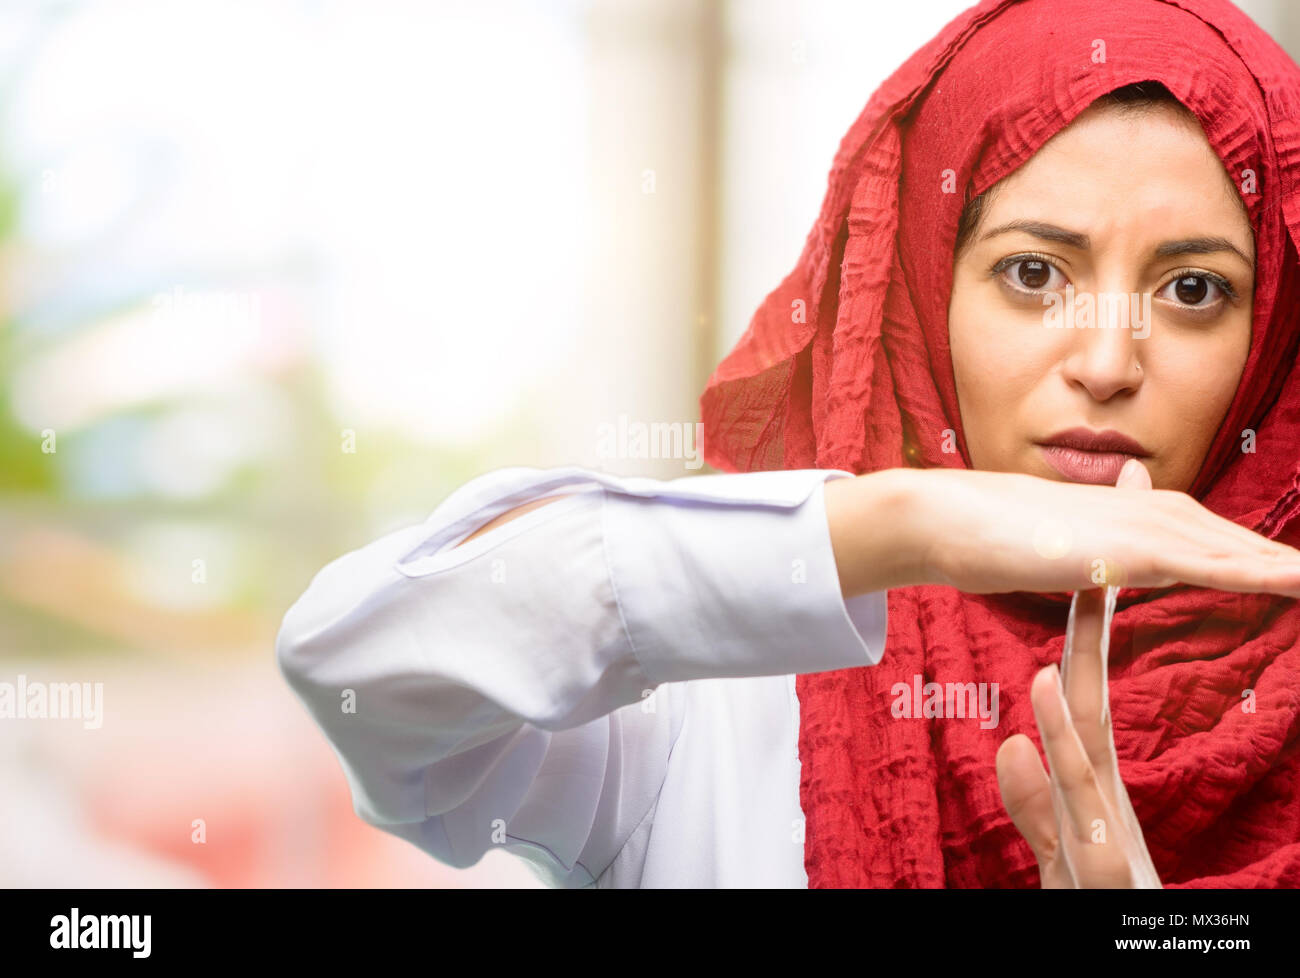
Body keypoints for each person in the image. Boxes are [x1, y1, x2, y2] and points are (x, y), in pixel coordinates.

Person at [276, 0, 1300, 888]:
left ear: (1270, 345)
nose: (1108, 362)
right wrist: (902, 521)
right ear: (915, 290)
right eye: (1033, 274)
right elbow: (361, 668)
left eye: (1192, 289)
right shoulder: (708, 700)